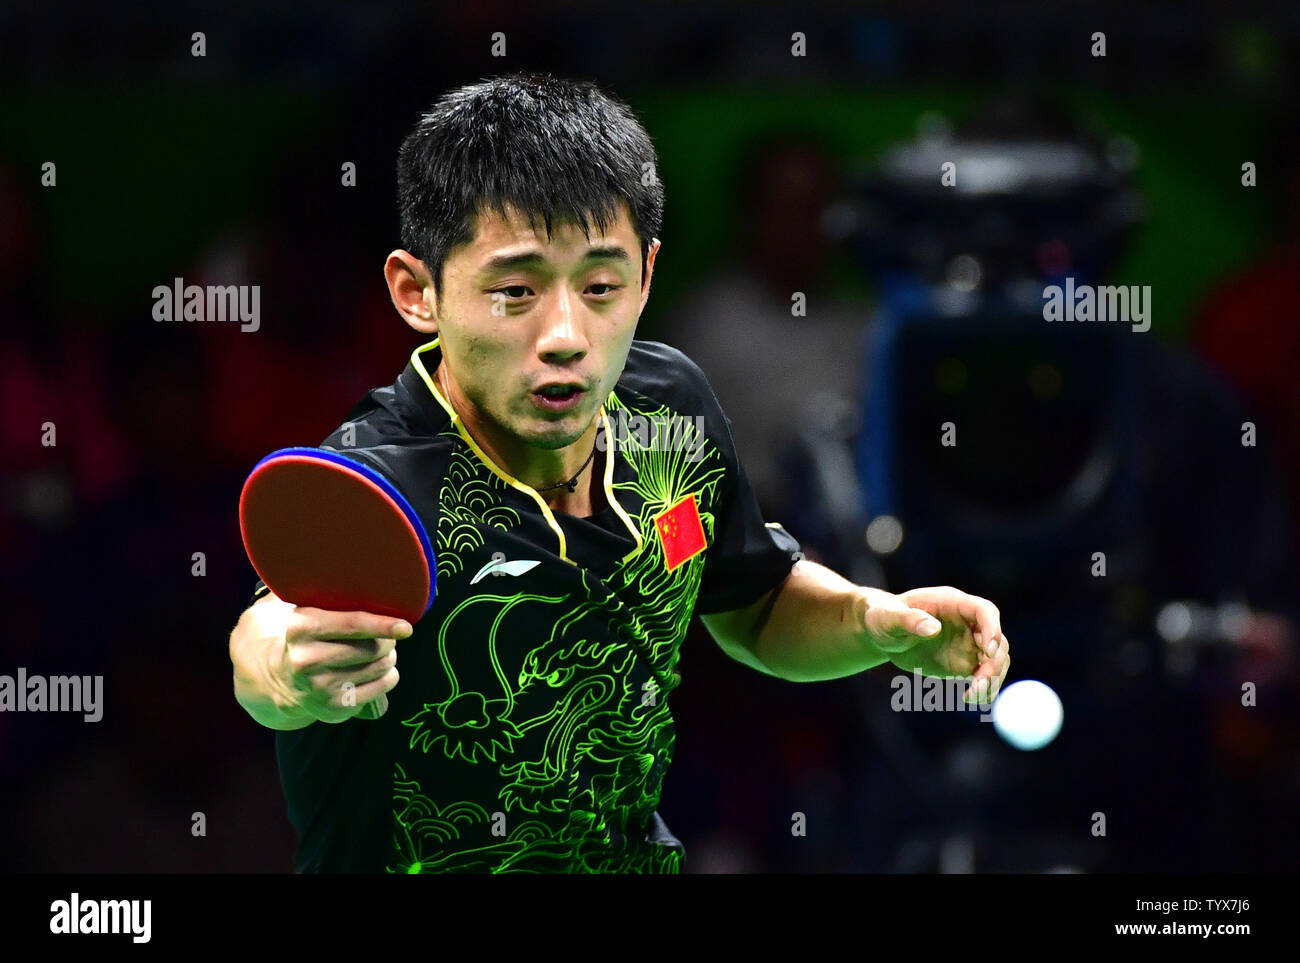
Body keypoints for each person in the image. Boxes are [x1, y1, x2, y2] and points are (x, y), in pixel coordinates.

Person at [227, 72, 1011, 874]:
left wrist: (871, 622)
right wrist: (288, 675)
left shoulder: (670, 408)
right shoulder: (374, 477)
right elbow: (268, 640)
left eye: (600, 285)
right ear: (418, 292)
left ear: (646, 275)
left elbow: (755, 604)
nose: (566, 333)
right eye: (515, 290)